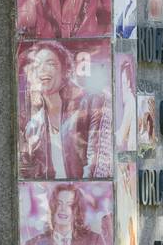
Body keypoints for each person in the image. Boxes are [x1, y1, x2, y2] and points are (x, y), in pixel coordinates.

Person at [18, 41, 111, 181]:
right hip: (52, 198)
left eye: (50, 63)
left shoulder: (91, 102)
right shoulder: (34, 124)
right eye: (36, 65)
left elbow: (96, 165)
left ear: (65, 70)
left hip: (87, 196)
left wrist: (84, 191)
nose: (42, 70)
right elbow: (30, 176)